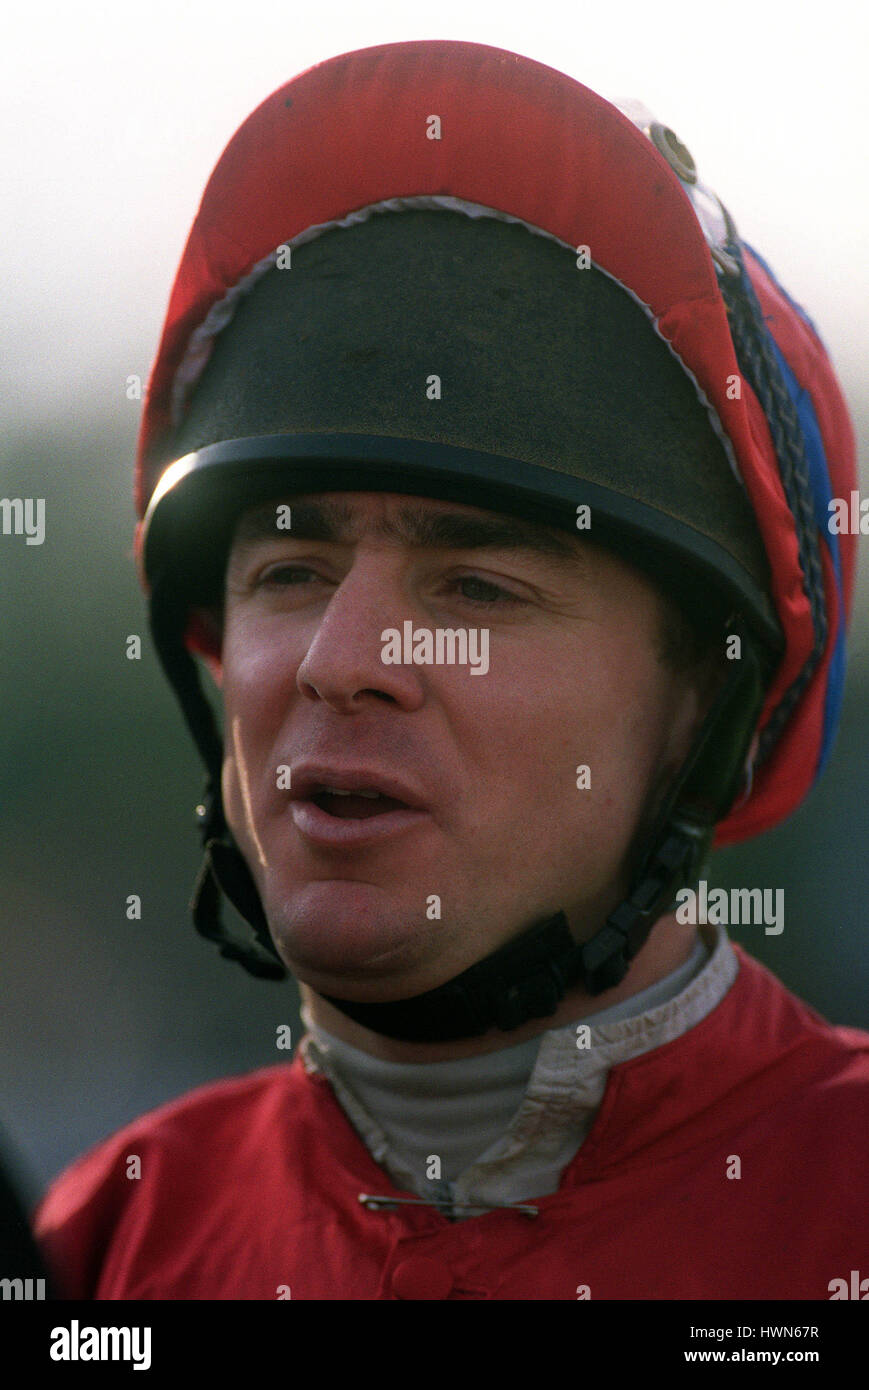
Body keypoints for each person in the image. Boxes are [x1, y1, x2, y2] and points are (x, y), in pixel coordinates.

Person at [33, 38, 868, 1301]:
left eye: (477, 588)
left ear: (702, 704)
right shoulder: (104, 1245)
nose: (341, 663)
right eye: (290, 570)